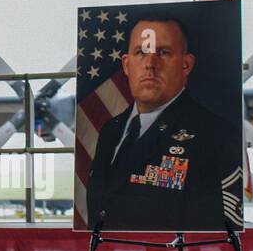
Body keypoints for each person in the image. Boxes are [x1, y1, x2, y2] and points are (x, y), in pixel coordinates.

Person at [86, 18, 243, 230]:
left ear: (186, 64)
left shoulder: (215, 134)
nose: (150, 64)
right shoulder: (110, 131)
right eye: (141, 52)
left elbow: (225, 224)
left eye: (163, 52)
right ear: (126, 64)